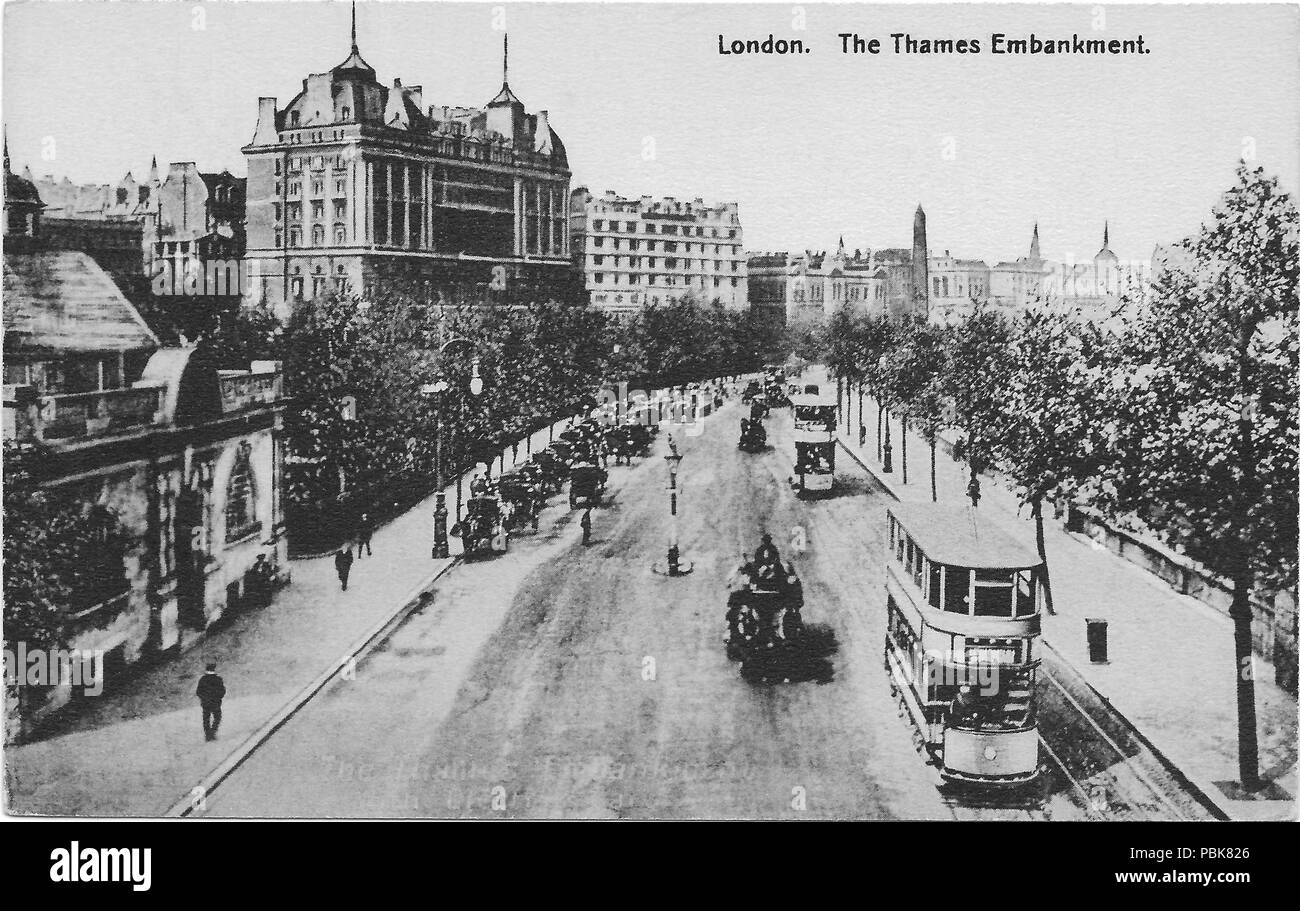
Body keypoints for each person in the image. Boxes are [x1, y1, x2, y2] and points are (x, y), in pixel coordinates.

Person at [196, 662, 226, 741]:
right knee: (217, 717)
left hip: (206, 703)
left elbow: (198, 692)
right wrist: (218, 697)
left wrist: (203, 698)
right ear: (214, 669)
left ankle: (208, 735)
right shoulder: (218, 679)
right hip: (215, 702)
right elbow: (222, 691)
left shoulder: (203, 679)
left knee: (206, 719)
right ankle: (212, 732)